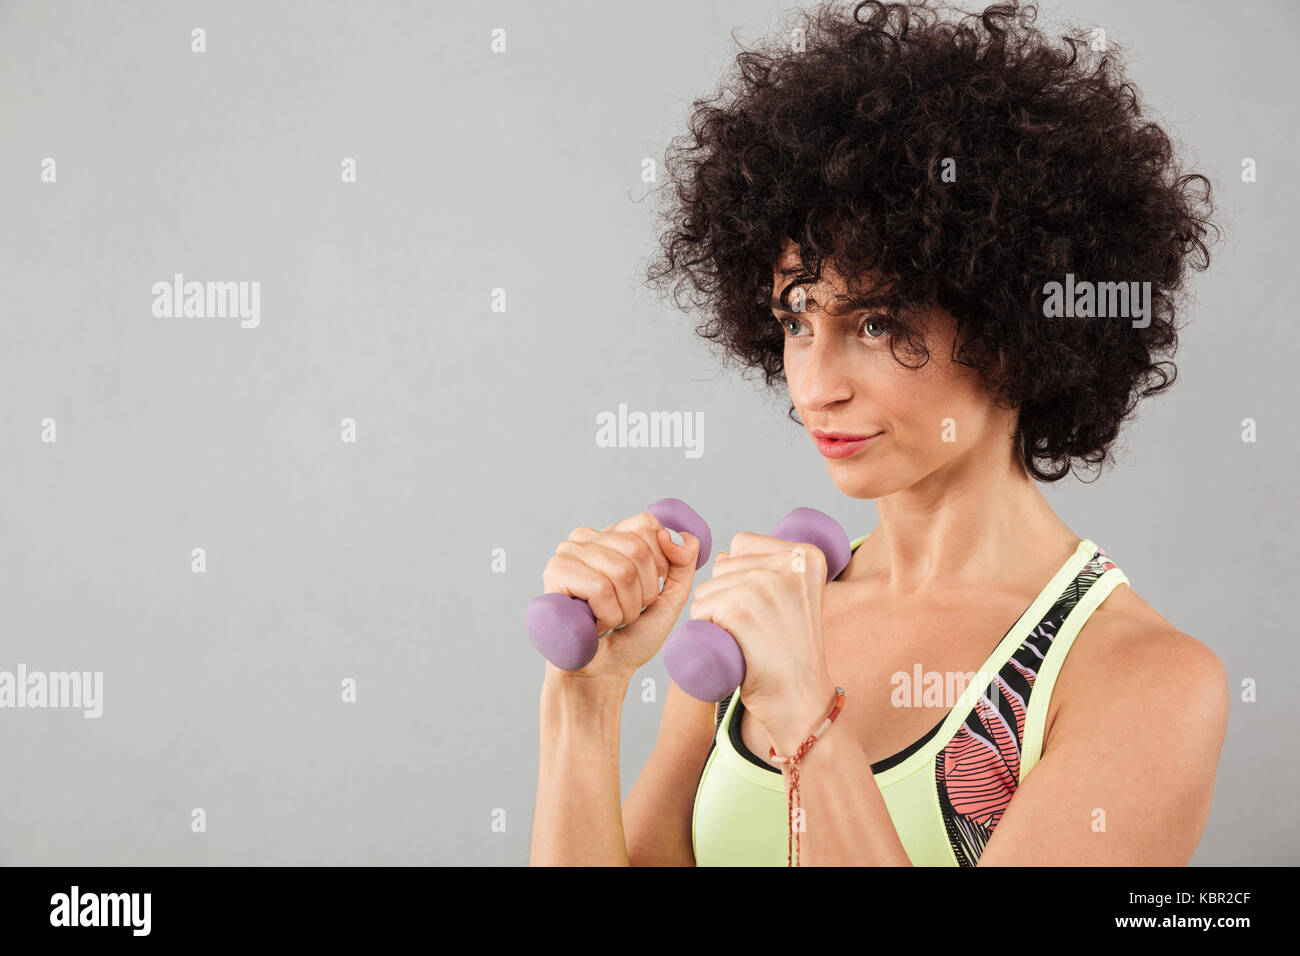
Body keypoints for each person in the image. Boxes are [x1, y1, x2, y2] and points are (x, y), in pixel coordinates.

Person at [529, 0, 1227, 866]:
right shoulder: (766, 613)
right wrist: (586, 698)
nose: (815, 387)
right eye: (796, 318)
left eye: (874, 323)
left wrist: (805, 718)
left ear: (1013, 322)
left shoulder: (1145, 679)